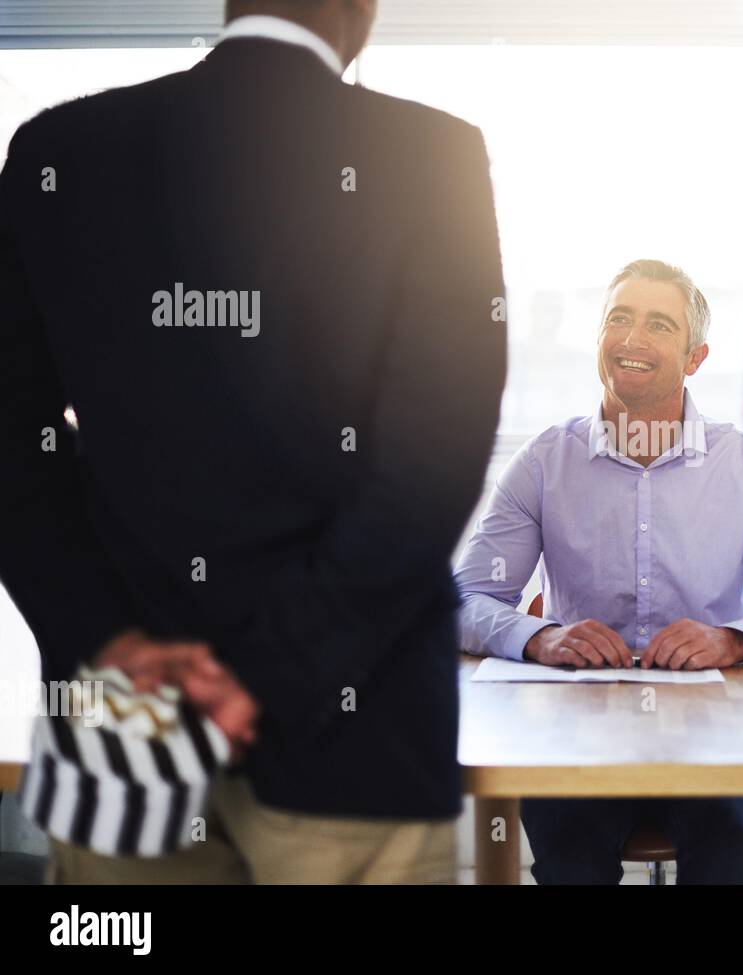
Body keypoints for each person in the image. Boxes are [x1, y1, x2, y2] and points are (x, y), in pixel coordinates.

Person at [0, 0, 505, 883]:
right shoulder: (434, 156)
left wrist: (109, 642)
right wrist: (270, 674)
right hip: (358, 730)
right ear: (362, 11)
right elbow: (433, 459)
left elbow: (13, 436)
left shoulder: (58, 151)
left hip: (122, 723)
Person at [454, 259, 743, 884]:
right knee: (570, 866)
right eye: (618, 319)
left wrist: (732, 638)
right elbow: (462, 601)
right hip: (576, 734)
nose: (632, 339)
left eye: (658, 325)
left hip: (713, 736)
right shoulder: (544, 462)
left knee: (724, 862)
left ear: (696, 357)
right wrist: (539, 636)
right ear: (599, 339)